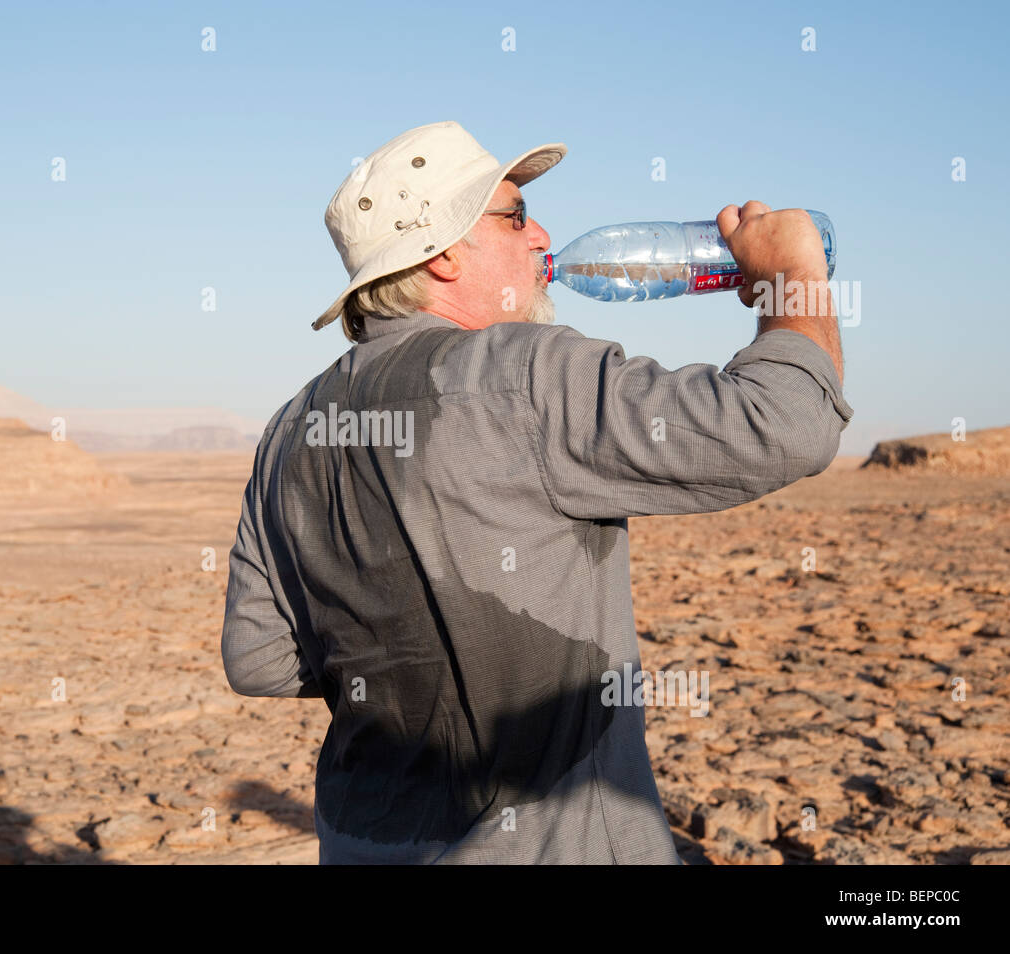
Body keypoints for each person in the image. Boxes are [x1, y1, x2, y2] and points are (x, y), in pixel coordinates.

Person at [220, 120, 851, 863]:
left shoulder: (291, 429)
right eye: (514, 215)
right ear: (446, 253)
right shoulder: (524, 374)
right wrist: (792, 275)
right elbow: (787, 423)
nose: (541, 232)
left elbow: (257, 658)